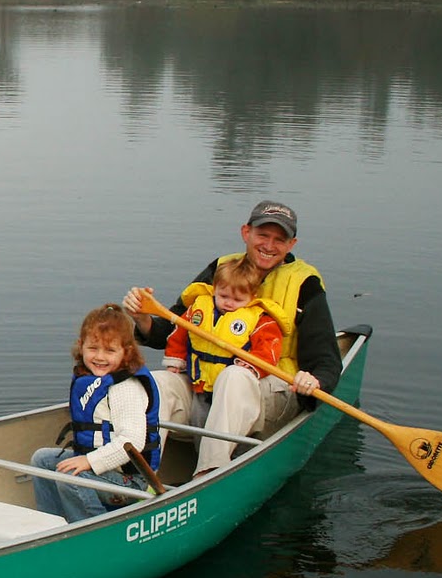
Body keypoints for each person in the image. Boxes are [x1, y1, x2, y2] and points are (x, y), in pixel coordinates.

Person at [124, 199, 340, 475]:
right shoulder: (221, 270)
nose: (269, 246)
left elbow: (328, 360)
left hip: (272, 391)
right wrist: (142, 319)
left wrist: (315, 380)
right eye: (263, 235)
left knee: (234, 376)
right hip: (204, 387)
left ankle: (209, 473)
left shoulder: (305, 283)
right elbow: (172, 330)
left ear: (291, 245)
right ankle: (134, 472)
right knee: (156, 382)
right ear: (246, 233)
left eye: (279, 239)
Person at [27, 305, 160, 522]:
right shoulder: (90, 380)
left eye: (110, 350)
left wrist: (89, 461)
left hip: (130, 481)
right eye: (93, 348)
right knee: (41, 460)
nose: (100, 357)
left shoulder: (126, 388)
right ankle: (51, 524)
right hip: (102, 468)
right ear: (81, 347)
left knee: (71, 476)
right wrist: (88, 461)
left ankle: (91, 528)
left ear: (126, 351)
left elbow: (132, 442)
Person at [161, 255, 286, 428]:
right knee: (200, 425)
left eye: (237, 300)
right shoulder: (198, 311)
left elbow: (268, 349)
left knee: (229, 426)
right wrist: (175, 361)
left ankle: (235, 452)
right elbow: (179, 337)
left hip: (233, 391)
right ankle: (199, 451)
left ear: (252, 296)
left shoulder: (259, 320)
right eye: (223, 296)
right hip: (200, 385)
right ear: (215, 290)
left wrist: (251, 367)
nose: (228, 303)